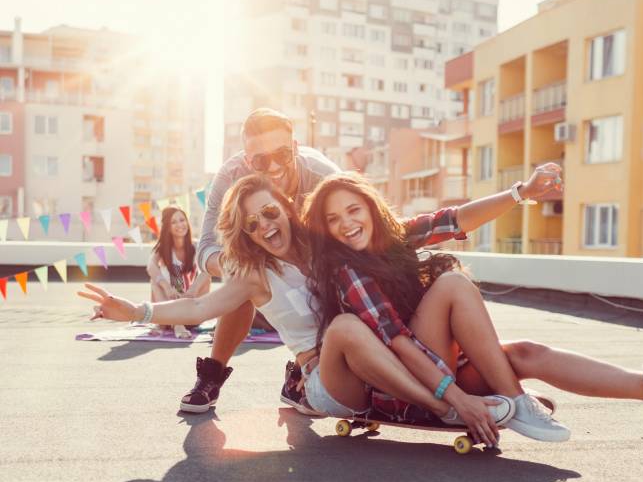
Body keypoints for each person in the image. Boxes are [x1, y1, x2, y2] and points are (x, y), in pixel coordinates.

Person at [78, 174, 559, 447]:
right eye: (252, 224)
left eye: (270, 213)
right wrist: (136, 311)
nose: (266, 227)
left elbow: (437, 224)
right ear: (243, 234)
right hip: (329, 379)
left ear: (286, 208)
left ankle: (488, 399)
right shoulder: (252, 274)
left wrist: (518, 194)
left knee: (366, 324)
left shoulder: (326, 243)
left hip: (379, 363)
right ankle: (449, 408)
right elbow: (199, 305)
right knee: (346, 328)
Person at [301, 171, 643, 434]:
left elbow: (456, 219)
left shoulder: (396, 239)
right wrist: (456, 398)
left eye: (352, 210)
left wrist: (522, 192)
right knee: (452, 285)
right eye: (333, 220)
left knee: (527, 353)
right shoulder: (348, 270)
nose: (346, 224)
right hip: (405, 382)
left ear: (371, 209)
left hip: (437, 360)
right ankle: (517, 402)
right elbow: (398, 343)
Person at [183, 107, 340, 414]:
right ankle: (212, 374)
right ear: (246, 160)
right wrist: (238, 267)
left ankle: (302, 370)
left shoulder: (325, 177)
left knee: (333, 272)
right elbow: (204, 249)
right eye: (261, 160)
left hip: (314, 251)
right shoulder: (229, 178)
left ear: (295, 147)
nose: (274, 167)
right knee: (240, 276)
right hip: (254, 252)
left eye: (282, 154)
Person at [146, 206, 210, 339]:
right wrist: (167, 288)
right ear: (167, 228)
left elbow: (208, 270)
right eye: (174, 222)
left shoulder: (196, 247)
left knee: (207, 274)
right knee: (154, 280)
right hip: (167, 306)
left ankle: (177, 321)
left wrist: (192, 291)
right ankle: (176, 323)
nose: (180, 225)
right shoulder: (162, 249)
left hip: (189, 308)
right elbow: (150, 266)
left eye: (182, 220)